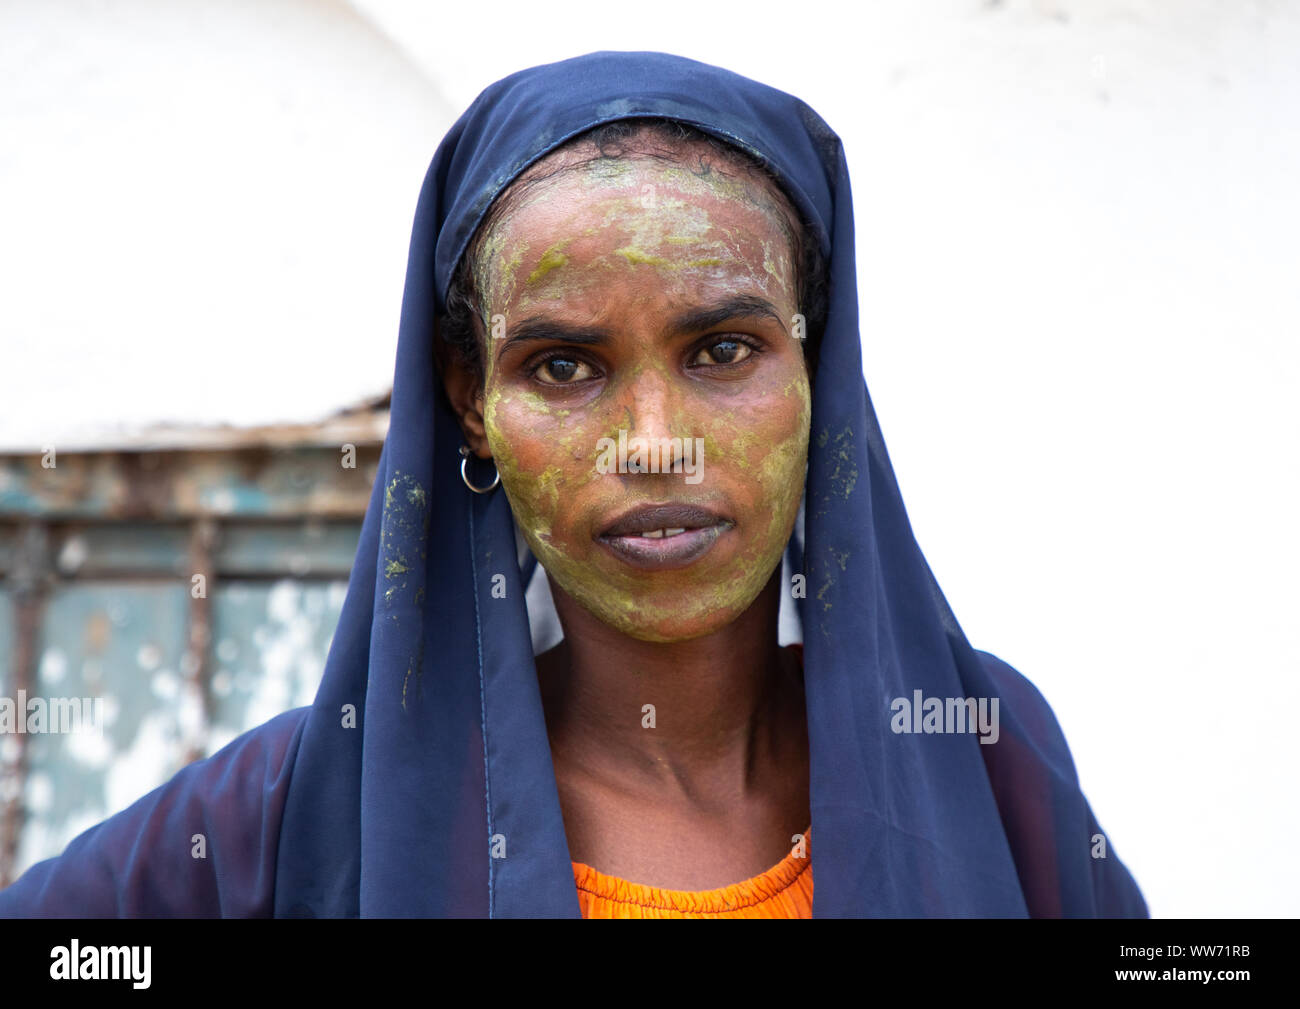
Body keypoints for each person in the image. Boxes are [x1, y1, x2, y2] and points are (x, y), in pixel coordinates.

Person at [0, 50, 1147, 918]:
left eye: (723, 349)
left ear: (816, 365)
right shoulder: (294, 813)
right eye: (562, 365)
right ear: (470, 400)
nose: (652, 443)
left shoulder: (976, 752)